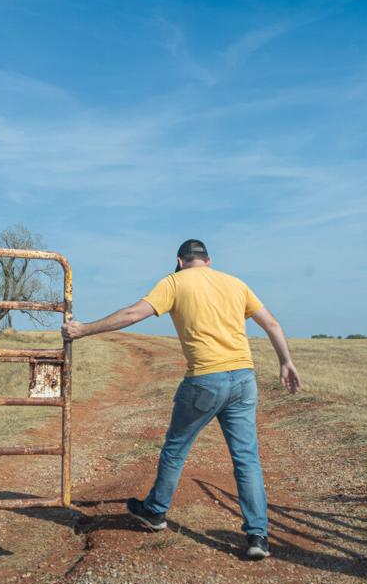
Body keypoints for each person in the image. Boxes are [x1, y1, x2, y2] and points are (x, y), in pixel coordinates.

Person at [61, 239, 302, 560]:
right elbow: (271, 323)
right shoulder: (235, 283)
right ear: (208, 260)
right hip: (244, 378)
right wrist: (286, 361)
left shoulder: (174, 282)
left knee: (176, 448)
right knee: (247, 459)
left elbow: (134, 313)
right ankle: (258, 536)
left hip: (205, 379)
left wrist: (83, 330)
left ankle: (156, 511)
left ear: (180, 261)